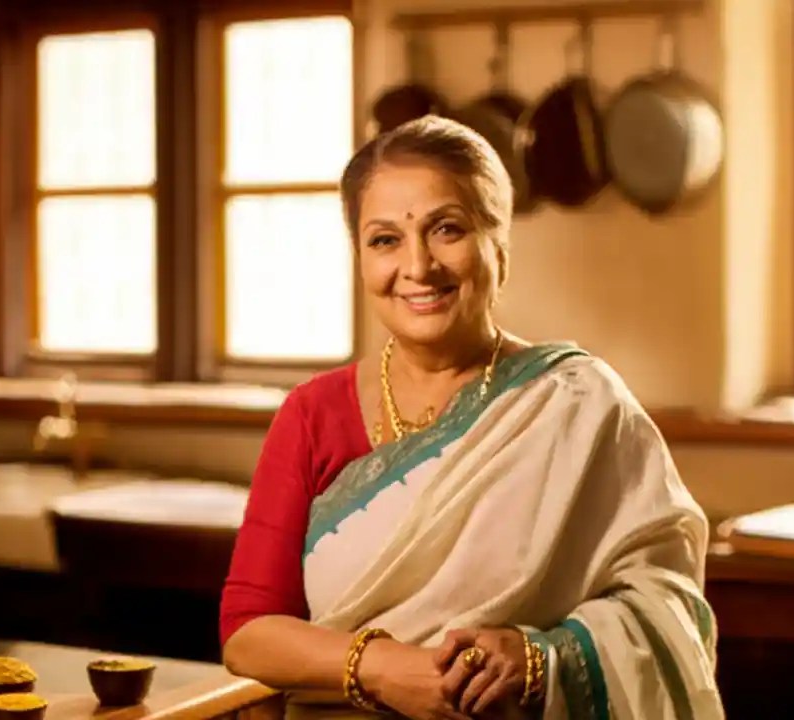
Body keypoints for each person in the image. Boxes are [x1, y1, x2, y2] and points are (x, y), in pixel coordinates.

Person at [219, 115, 724, 720]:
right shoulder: (311, 415)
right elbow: (249, 631)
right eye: (385, 240)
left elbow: (666, 606)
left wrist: (540, 659)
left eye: (447, 230)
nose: (418, 266)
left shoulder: (580, 402)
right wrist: (384, 669)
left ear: (499, 250)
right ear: (360, 258)